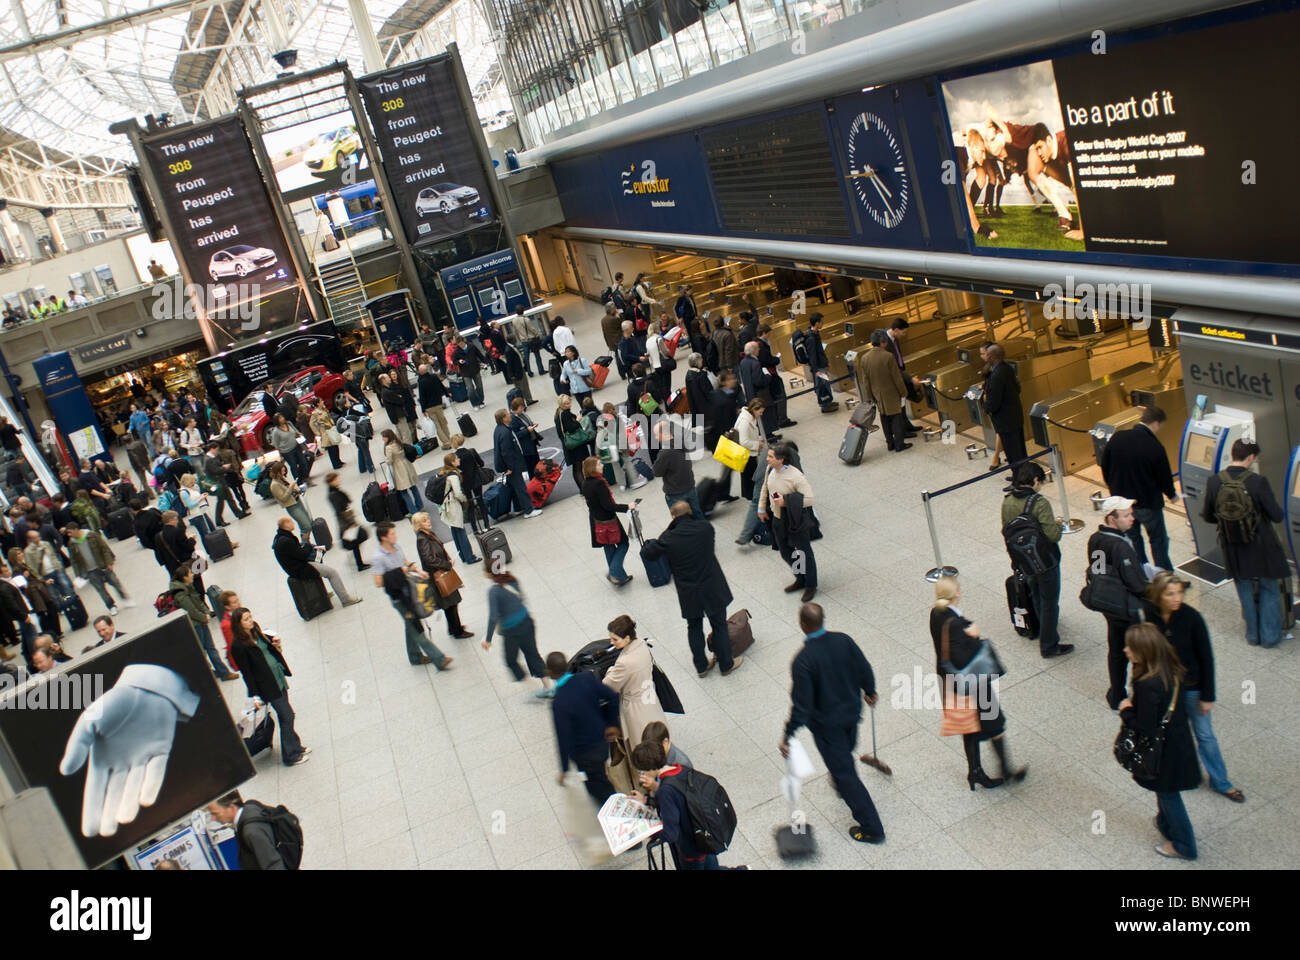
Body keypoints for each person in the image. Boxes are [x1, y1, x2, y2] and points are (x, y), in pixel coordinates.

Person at [779, 602, 885, 844]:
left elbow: (802, 706)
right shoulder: (844, 641)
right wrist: (870, 690)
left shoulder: (803, 661)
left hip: (828, 727)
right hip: (851, 714)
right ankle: (839, 780)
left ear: (802, 625)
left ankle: (872, 828)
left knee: (846, 773)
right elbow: (863, 667)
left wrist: (788, 734)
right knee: (844, 758)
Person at [1144, 571, 1244, 804]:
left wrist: (1208, 696)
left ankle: (1222, 782)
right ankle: (1185, 774)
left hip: (1191, 688)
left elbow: (1206, 658)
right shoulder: (1149, 616)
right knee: (1173, 735)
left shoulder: (1192, 618)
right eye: (1170, 594)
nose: (1177, 598)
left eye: (1179, 593)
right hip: (1165, 690)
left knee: (1205, 735)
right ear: (1159, 596)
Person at [929, 576, 1026, 790]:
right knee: (995, 722)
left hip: (951, 680)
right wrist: (974, 636)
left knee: (968, 726)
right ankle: (1005, 770)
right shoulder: (954, 622)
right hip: (971, 682)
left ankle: (975, 772)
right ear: (955, 594)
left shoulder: (936, 613)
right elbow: (962, 657)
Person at [1119, 622, 1200, 859]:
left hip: (1163, 752)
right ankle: (1166, 824)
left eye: (1130, 647)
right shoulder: (1170, 668)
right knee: (1165, 791)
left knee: (1168, 794)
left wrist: (1126, 710)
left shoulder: (1146, 684)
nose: (1126, 650)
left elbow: (1145, 727)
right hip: (1177, 742)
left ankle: (1184, 845)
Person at [1201, 438, 1290, 648]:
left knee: (1244, 588)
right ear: (1250, 457)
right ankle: (1269, 637)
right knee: (1268, 587)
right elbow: (1277, 516)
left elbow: (1208, 516)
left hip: (1232, 545)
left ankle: (1252, 635)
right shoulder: (1257, 482)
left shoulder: (1214, 481)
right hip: (1260, 545)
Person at [644, 500, 738, 677]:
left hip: (688, 590)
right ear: (690, 512)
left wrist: (668, 530)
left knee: (694, 627)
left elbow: (649, 554)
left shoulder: (668, 538)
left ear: (673, 517)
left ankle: (701, 667)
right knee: (719, 625)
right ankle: (726, 664)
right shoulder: (705, 528)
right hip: (712, 585)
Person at [1001, 461, 1072, 658]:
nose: (1040, 486)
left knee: (1035, 592)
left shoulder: (1007, 501)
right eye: (1040, 481)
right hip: (1045, 560)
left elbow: (1006, 530)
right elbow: (1052, 535)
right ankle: (1049, 645)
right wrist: (1058, 524)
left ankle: (1043, 627)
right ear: (1034, 480)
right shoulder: (1039, 503)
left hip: (1024, 560)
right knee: (1049, 600)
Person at [1087, 496, 1151, 710]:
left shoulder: (1096, 538)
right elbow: (1136, 583)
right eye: (1126, 515)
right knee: (1137, 652)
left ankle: (1116, 693)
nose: (1132, 519)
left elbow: (1096, 571)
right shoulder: (1121, 546)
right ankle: (1139, 696)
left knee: (1115, 650)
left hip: (1109, 604)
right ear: (1111, 519)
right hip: (1127, 607)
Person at [227, 608, 311, 767]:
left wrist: (276, 645)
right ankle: (290, 755)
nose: (250, 620)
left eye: (250, 617)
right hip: (266, 686)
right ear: (238, 624)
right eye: (246, 619)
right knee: (287, 715)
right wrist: (254, 695)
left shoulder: (256, 630)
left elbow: (268, 649)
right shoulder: (238, 646)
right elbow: (247, 673)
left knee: (286, 714)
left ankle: (295, 746)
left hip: (277, 677)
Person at [1100, 406, 1177, 571]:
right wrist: (1172, 495)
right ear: (1156, 423)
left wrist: (1113, 488)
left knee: (1134, 540)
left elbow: (1105, 465)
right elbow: (1164, 477)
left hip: (1123, 504)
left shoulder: (1118, 438)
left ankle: (1143, 573)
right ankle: (1164, 577)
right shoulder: (1154, 447)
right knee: (1158, 540)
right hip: (1148, 504)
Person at [371, 521, 453, 670]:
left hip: (409, 591)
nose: (395, 536)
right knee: (415, 627)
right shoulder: (378, 557)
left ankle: (414, 656)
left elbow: (405, 562)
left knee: (410, 624)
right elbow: (378, 581)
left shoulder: (396, 547)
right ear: (384, 538)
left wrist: (416, 570)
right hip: (398, 597)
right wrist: (398, 572)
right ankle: (439, 659)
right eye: (392, 534)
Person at [546, 650, 619, 805]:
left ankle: (616, 814)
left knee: (598, 788)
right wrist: (611, 724)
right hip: (602, 741)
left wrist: (564, 769)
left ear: (550, 672)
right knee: (600, 777)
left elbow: (563, 738)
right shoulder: (586, 678)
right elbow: (612, 697)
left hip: (586, 755)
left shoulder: (559, 702)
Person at [758, 443, 818, 602]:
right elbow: (765, 487)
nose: (767, 458)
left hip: (794, 519)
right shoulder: (770, 469)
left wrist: (787, 502)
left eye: (770, 456)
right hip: (778, 518)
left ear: (781, 459)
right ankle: (801, 578)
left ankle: (810, 584)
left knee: (804, 552)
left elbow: (810, 499)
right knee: (786, 551)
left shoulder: (795, 476)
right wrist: (761, 508)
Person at [481, 566, 551, 696]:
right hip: (527, 622)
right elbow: (522, 599)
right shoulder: (511, 579)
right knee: (533, 654)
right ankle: (548, 687)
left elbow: (493, 616)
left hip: (512, 631)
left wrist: (488, 639)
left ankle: (527, 683)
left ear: (489, 573)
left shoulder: (494, 591)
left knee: (510, 660)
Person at [601, 614, 667, 745]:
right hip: (649, 698)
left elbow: (609, 685)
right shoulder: (642, 644)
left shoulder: (625, 662)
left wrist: (610, 670)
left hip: (635, 707)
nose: (611, 642)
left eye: (615, 639)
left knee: (641, 741)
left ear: (626, 638)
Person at [170, 562, 238, 681]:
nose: (192, 575)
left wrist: (206, 612)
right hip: (195, 624)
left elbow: (198, 601)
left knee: (210, 648)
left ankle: (223, 673)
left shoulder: (187, 586)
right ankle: (210, 674)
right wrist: (203, 617)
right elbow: (191, 610)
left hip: (200, 621)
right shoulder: (180, 592)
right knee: (203, 651)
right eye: (190, 573)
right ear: (184, 577)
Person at [412, 511, 473, 640]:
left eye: (427, 519)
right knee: (451, 602)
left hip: (440, 573)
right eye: (424, 521)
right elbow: (429, 560)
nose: (428, 522)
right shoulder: (422, 540)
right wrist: (446, 564)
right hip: (438, 576)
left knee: (449, 603)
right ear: (419, 525)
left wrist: (448, 560)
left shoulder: (429, 535)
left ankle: (453, 628)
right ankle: (457, 630)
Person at [272, 517, 360, 605]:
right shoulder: (286, 540)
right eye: (291, 522)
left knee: (320, 562)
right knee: (332, 573)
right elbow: (302, 555)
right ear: (286, 525)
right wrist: (307, 544)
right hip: (300, 568)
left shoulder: (280, 537)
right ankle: (345, 599)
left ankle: (322, 592)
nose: (293, 524)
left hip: (295, 567)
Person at [207, 793, 301, 868]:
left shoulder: (251, 832)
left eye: (215, 813)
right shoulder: (251, 806)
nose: (213, 818)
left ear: (231, 807)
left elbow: (273, 864)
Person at [581, 456, 632, 586]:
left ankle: (620, 577)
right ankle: (614, 572)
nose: (602, 465)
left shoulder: (585, 483)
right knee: (623, 543)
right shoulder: (599, 483)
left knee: (608, 546)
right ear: (593, 469)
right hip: (608, 520)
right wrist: (627, 507)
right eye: (599, 464)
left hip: (596, 521)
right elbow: (609, 506)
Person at [63, 522, 133, 616]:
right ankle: (111, 606)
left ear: (76, 529)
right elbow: (74, 560)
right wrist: (78, 574)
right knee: (101, 590)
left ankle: (125, 598)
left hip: (102, 565)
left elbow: (104, 548)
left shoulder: (91, 535)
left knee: (115, 583)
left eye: (70, 532)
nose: (69, 535)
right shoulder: (72, 544)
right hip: (90, 571)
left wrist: (109, 562)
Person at [863, 328, 911, 452]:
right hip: (891, 392)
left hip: (877, 394)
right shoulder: (888, 356)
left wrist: (870, 396)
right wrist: (903, 392)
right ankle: (899, 444)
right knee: (896, 417)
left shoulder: (865, 358)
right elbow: (897, 377)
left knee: (884, 418)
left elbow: (866, 381)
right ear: (883, 342)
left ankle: (890, 443)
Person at [491, 410, 541, 519]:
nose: (511, 416)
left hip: (508, 465)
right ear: (503, 418)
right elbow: (506, 452)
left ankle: (519, 507)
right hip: (512, 465)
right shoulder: (505, 432)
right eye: (508, 415)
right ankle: (528, 510)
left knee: (513, 487)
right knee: (520, 487)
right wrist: (509, 467)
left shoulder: (499, 429)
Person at [982, 343, 1027, 464]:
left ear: (991, 357)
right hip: (1015, 415)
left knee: (1012, 452)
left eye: (985, 354)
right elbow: (1017, 388)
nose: (983, 357)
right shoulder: (1007, 368)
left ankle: (1018, 478)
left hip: (1005, 420)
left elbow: (994, 401)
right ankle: (1022, 474)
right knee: (1019, 450)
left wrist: (985, 408)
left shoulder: (996, 375)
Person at [651, 420, 702, 519]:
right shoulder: (681, 442)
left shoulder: (665, 453)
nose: (656, 437)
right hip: (690, 487)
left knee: (682, 521)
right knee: (698, 515)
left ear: (665, 433)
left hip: (676, 493)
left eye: (657, 434)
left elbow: (656, 472)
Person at [884, 317, 926, 434]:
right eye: (903, 332)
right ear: (896, 330)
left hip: (900, 373)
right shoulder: (885, 343)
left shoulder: (894, 338)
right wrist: (910, 378)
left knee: (903, 403)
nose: (904, 334)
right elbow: (892, 368)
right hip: (893, 378)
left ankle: (907, 425)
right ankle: (903, 430)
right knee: (899, 406)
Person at [553, 393, 593, 491]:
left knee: (576, 468)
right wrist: (577, 420)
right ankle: (584, 489)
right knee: (578, 468)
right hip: (575, 445)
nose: (569, 405)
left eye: (569, 403)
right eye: (566, 404)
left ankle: (583, 489)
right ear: (562, 404)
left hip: (569, 445)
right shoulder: (565, 414)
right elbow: (571, 428)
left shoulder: (558, 413)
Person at [202, 443, 249, 525]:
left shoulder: (210, 458)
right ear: (212, 449)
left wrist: (222, 466)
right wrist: (224, 468)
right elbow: (215, 470)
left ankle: (238, 514)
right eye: (216, 450)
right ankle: (220, 520)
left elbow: (217, 466)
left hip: (220, 481)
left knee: (227, 499)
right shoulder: (208, 459)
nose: (217, 452)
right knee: (222, 501)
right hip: (218, 482)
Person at [267, 461, 312, 540]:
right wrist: (291, 487)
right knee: (306, 526)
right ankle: (304, 543)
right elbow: (283, 498)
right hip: (292, 506)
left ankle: (306, 543)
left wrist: (298, 490)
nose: (284, 472)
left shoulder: (281, 479)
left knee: (305, 524)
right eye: (283, 471)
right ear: (278, 472)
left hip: (297, 501)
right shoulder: (274, 485)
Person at [802, 313, 838, 412]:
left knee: (825, 384)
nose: (823, 323)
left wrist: (826, 362)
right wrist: (815, 370)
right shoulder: (811, 338)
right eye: (821, 322)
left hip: (822, 364)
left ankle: (828, 402)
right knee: (822, 386)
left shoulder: (815, 334)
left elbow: (820, 351)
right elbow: (812, 355)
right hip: (818, 367)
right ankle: (824, 405)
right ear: (817, 323)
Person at [380, 428, 421, 516]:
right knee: (413, 487)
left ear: (387, 437)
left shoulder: (388, 447)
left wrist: (386, 460)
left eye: (383, 437)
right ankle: (419, 505)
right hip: (407, 464)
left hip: (398, 468)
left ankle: (413, 510)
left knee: (403, 491)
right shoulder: (398, 442)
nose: (382, 439)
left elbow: (389, 461)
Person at [416, 363, 453, 450]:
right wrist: (447, 394)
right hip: (438, 403)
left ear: (420, 372)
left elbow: (422, 396)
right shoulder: (434, 377)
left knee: (437, 425)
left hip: (429, 407)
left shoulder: (421, 382)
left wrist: (423, 409)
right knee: (443, 422)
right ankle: (448, 438)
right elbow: (441, 386)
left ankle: (446, 443)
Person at [269, 414, 311, 487]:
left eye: (282, 416)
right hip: (287, 452)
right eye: (280, 418)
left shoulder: (289, 424)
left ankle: (305, 478)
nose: (283, 418)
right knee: (294, 466)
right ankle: (299, 482)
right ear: (277, 421)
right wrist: (281, 452)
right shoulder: (276, 431)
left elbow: (295, 431)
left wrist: (299, 434)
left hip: (296, 446)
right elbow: (276, 444)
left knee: (303, 462)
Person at [309, 402, 344, 470]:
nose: (322, 402)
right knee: (331, 448)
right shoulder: (315, 413)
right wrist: (317, 432)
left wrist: (331, 421)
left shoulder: (324, 409)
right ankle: (335, 464)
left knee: (335, 445)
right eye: (321, 401)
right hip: (324, 431)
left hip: (330, 428)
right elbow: (311, 423)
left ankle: (338, 460)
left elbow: (328, 416)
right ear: (318, 403)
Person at [601, 303, 628, 379]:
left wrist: (608, 343)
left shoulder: (603, 320)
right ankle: (624, 371)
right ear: (611, 310)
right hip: (618, 340)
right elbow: (623, 324)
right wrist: (620, 315)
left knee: (617, 357)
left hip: (611, 342)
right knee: (622, 357)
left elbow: (604, 332)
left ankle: (621, 373)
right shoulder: (614, 319)